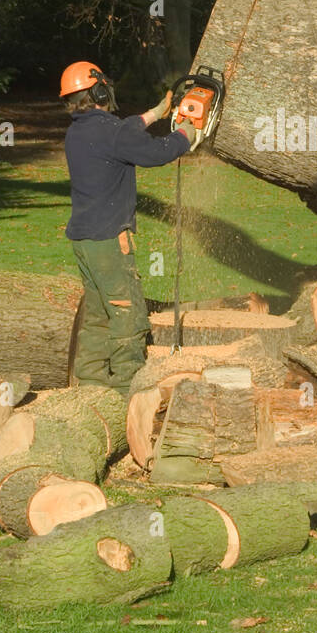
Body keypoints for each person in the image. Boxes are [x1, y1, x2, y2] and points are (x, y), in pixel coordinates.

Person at [60, 61, 199, 398]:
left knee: (98, 314)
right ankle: (127, 392)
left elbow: (120, 131)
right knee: (128, 314)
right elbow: (156, 152)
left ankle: (90, 386)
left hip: (83, 240)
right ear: (100, 91)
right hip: (109, 240)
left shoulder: (78, 130)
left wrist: (154, 114)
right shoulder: (112, 132)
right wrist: (185, 134)